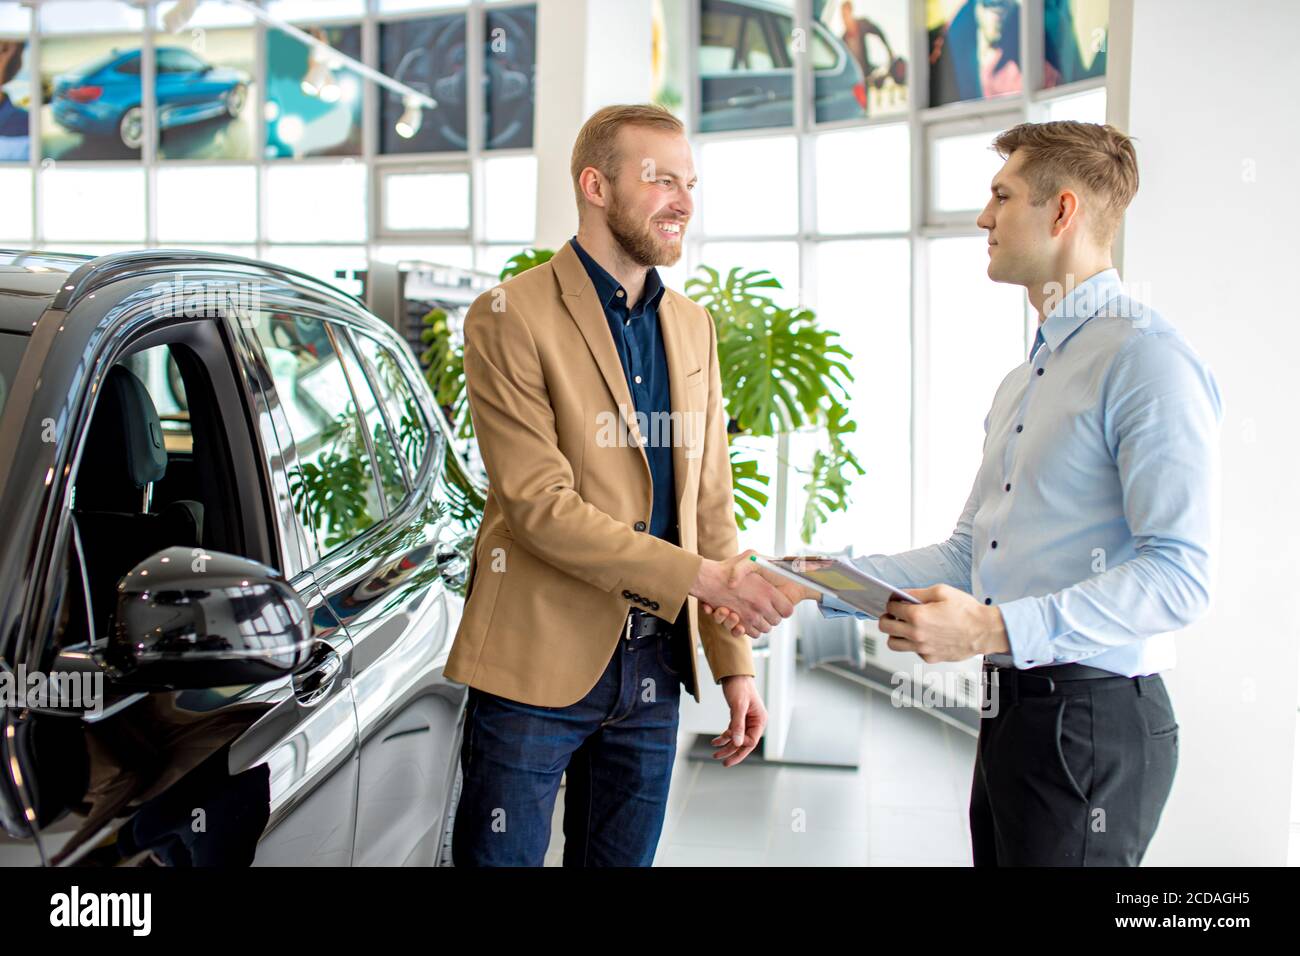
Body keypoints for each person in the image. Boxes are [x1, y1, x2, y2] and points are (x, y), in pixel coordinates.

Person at [710, 121, 1222, 866]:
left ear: (1063, 212)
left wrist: (991, 629)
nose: (984, 217)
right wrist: (805, 581)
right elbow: (966, 555)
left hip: (1093, 718)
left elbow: (1181, 575)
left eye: (1001, 196)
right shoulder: (1027, 378)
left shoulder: (1148, 361)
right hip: (1013, 711)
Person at [447, 104, 795, 867]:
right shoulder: (509, 316)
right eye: (661, 179)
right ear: (596, 186)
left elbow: (710, 505)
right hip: (534, 666)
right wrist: (706, 580)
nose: (684, 201)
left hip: (653, 672)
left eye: (690, 183)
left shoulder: (693, 326)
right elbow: (540, 508)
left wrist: (733, 663)